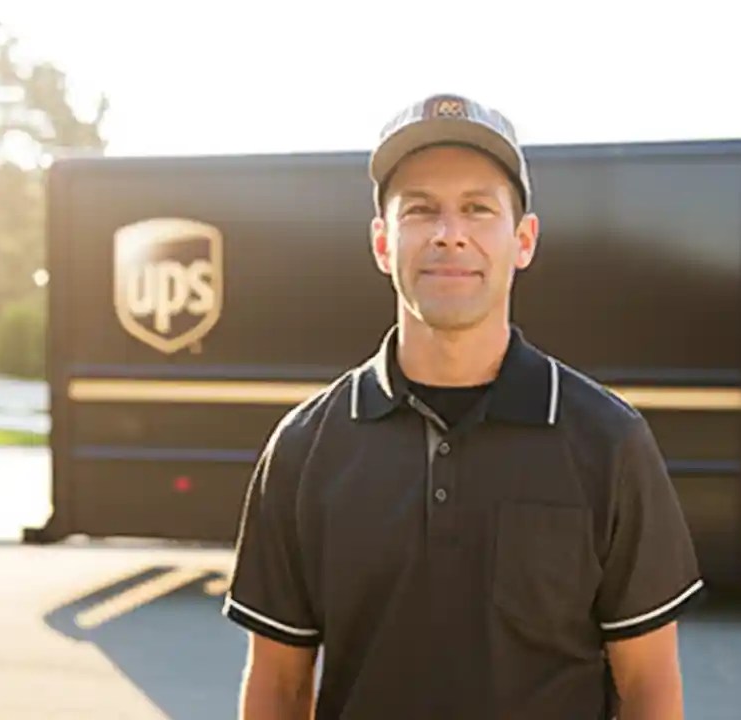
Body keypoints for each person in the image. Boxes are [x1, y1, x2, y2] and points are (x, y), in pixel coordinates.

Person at [222, 93, 706, 720]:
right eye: (420, 210)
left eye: (478, 208)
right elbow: (279, 686)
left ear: (523, 240)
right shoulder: (304, 448)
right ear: (382, 244)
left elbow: (648, 685)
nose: (449, 234)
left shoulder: (609, 441)